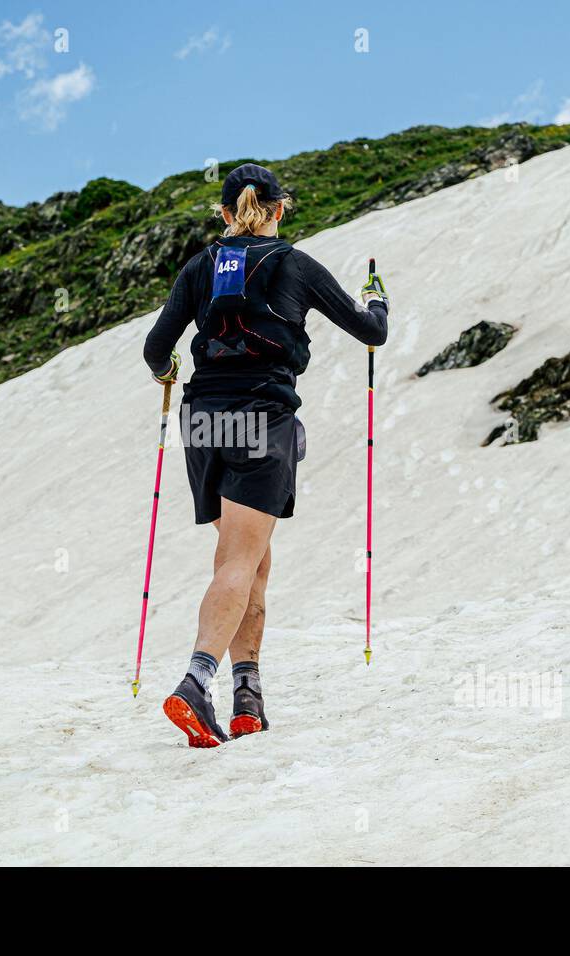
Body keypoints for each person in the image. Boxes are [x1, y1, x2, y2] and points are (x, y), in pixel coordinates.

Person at [142, 162, 390, 747]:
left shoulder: (199, 268)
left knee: (248, 556)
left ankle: (247, 694)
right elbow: (370, 332)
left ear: (226, 215)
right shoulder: (292, 264)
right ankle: (196, 683)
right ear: (279, 209)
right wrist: (377, 301)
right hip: (262, 420)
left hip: (201, 421)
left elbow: (157, 348)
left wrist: (169, 371)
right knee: (239, 560)